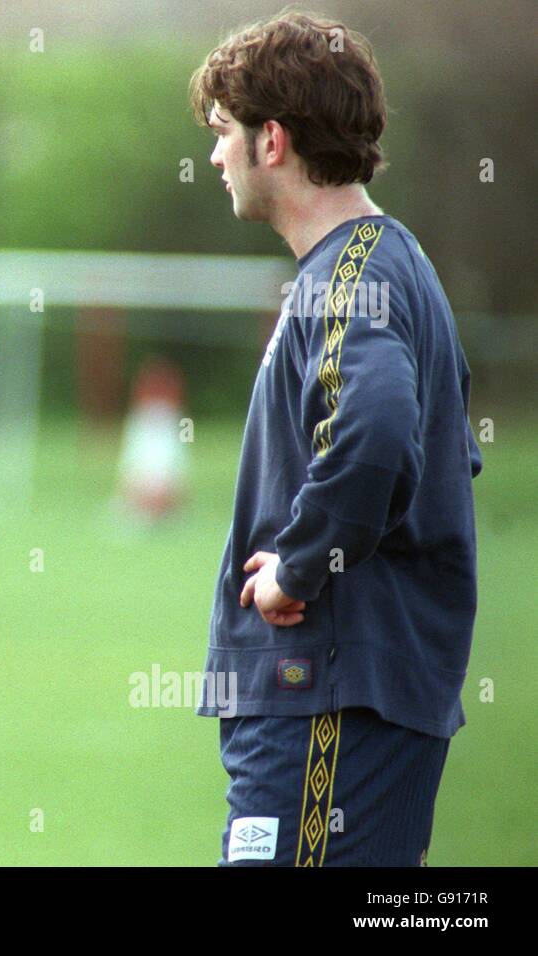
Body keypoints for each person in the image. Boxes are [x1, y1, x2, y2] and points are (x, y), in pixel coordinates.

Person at [190, 12, 482, 866]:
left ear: (271, 140)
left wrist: (298, 562)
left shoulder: (349, 277)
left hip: (326, 692)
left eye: (223, 133)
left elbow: (382, 433)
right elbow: (442, 459)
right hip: (341, 695)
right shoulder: (387, 266)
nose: (215, 157)